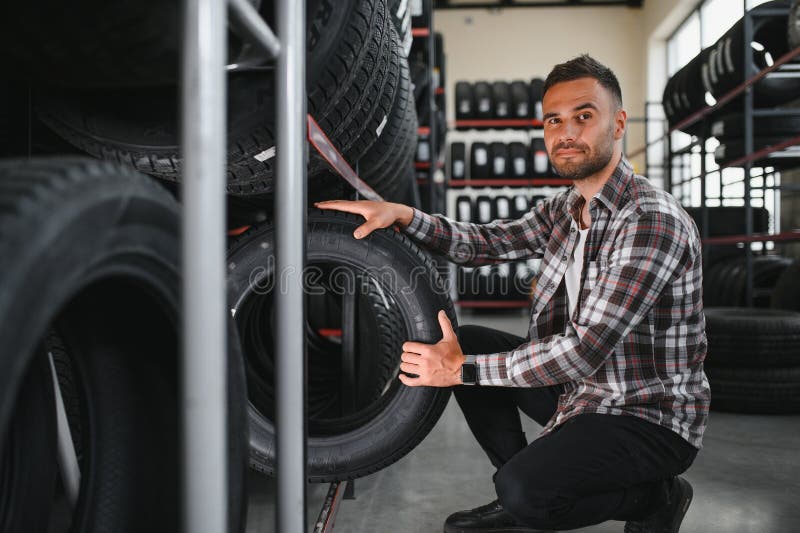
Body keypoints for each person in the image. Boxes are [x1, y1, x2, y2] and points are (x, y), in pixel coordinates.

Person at [315, 54, 710, 533]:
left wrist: (461, 370)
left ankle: (654, 498)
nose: (566, 133)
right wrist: (404, 215)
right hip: (581, 395)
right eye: (554, 121)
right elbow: (487, 243)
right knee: (473, 341)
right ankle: (519, 483)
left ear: (618, 122)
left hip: (646, 414)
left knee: (525, 486)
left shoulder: (650, 222)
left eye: (584, 116)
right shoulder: (567, 208)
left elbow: (584, 350)